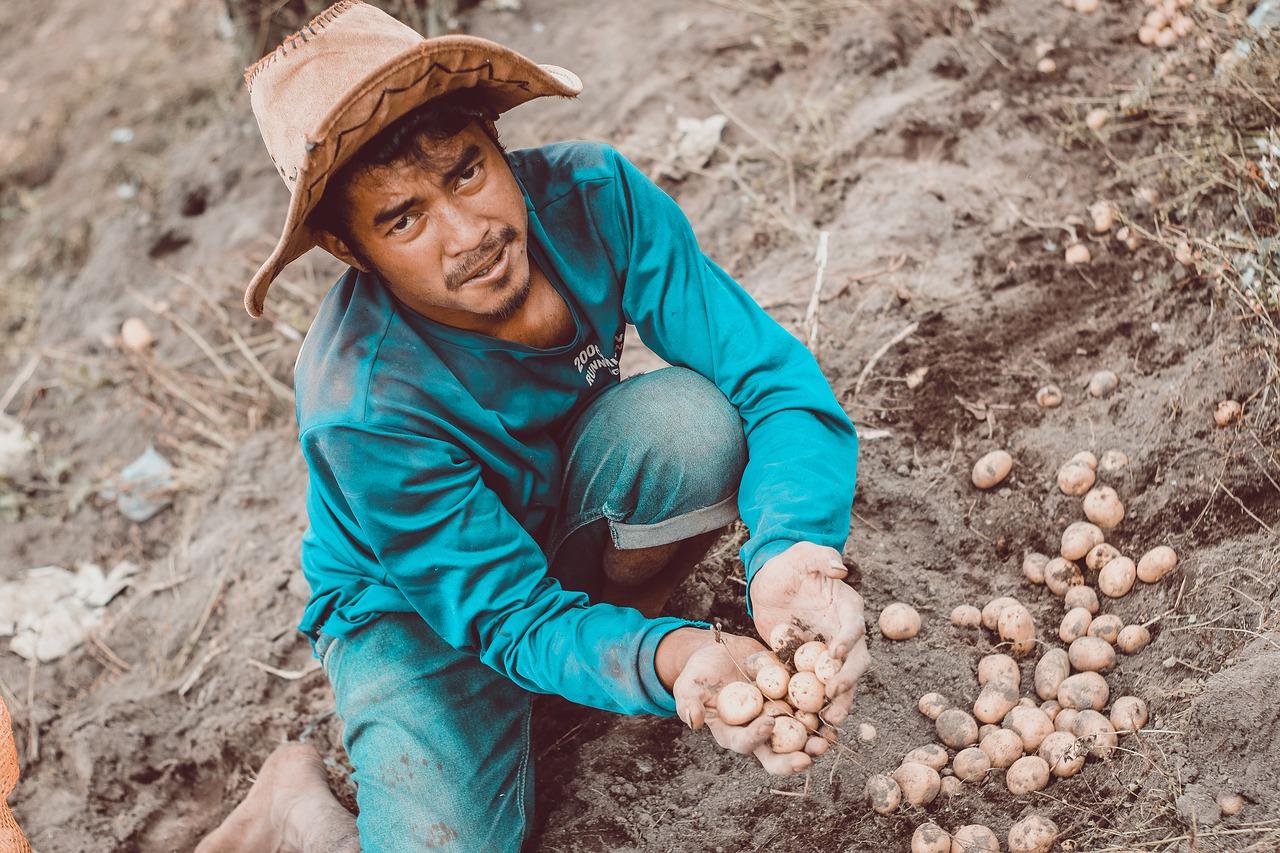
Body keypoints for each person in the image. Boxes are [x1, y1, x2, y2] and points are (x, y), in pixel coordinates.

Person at [199, 2, 866, 851]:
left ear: (494, 136)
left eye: (465, 173)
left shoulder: (596, 199)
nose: (467, 234)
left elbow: (770, 380)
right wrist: (675, 659)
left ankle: (586, 661)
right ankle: (298, 806)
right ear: (349, 249)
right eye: (404, 219)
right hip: (419, 608)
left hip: (558, 511)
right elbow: (508, 613)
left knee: (693, 423)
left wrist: (796, 550)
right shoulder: (360, 406)